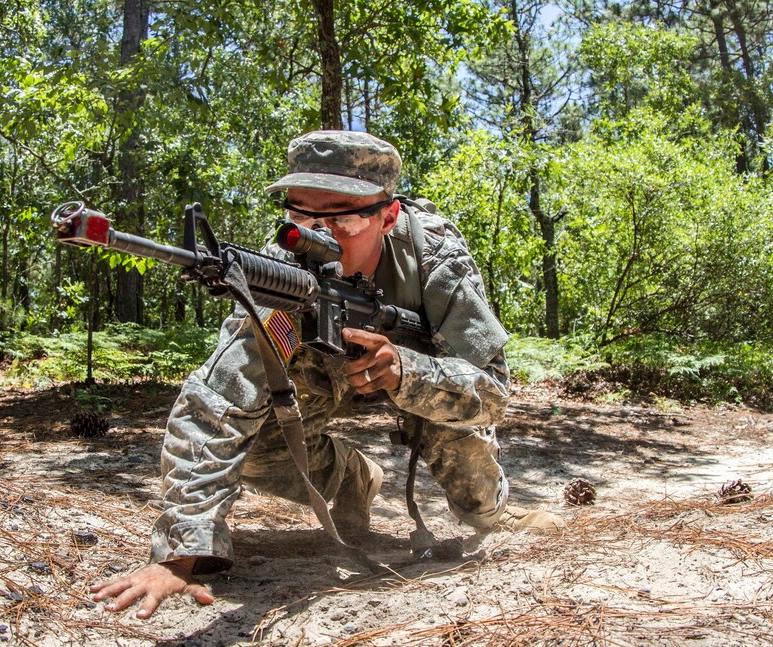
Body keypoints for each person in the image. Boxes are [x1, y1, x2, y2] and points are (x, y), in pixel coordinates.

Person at [90, 130, 563, 619]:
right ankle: (352, 477)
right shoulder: (279, 273)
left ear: (388, 215)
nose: (319, 235)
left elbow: (492, 394)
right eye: (301, 216)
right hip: (325, 378)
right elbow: (214, 404)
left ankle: (494, 512)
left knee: (470, 471)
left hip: (422, 373)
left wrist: (409, 372)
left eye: (341, 219)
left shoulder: (435, 260)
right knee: (258, 450)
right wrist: (179, 558)